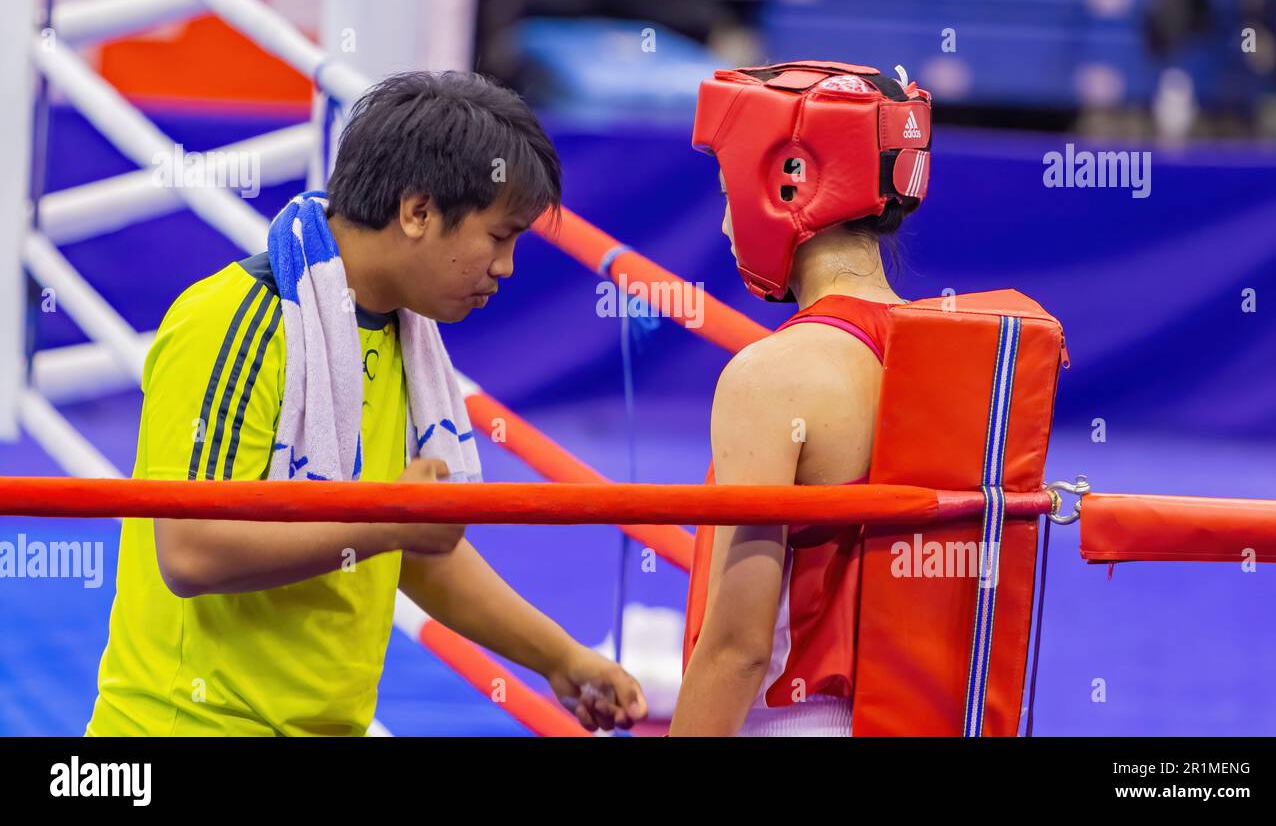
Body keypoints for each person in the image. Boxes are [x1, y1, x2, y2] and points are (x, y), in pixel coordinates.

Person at [87, 71, 647, 736]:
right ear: (417, 212)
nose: (508, 267)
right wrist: (389, 522)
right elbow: (189, 552)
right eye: (500, 237)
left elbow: (411, 546)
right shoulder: (233, 321)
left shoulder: (403, 332)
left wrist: (560, 658)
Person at [669, 61, 933, 736]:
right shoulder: (955, 355)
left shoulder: (772, 376)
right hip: (918, 713)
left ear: (791, 181)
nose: (727, 223)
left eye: (729, 190)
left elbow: (739, 646)